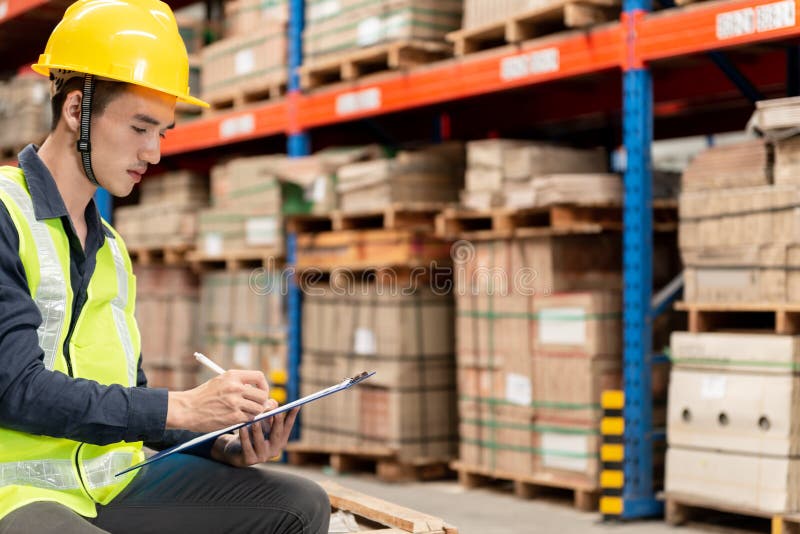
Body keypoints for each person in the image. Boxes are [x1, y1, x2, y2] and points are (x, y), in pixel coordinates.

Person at [0, 1, 330, 533]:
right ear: (75, 110)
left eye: (164, 132)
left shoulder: (109, 247)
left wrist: (219, 441)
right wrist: (180, 407)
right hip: (14, 494)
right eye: (140, 127)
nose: (153, 152)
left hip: (109, 480)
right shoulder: (4, 214)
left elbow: (125, 398)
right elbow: (12, 387)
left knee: (300, 504)